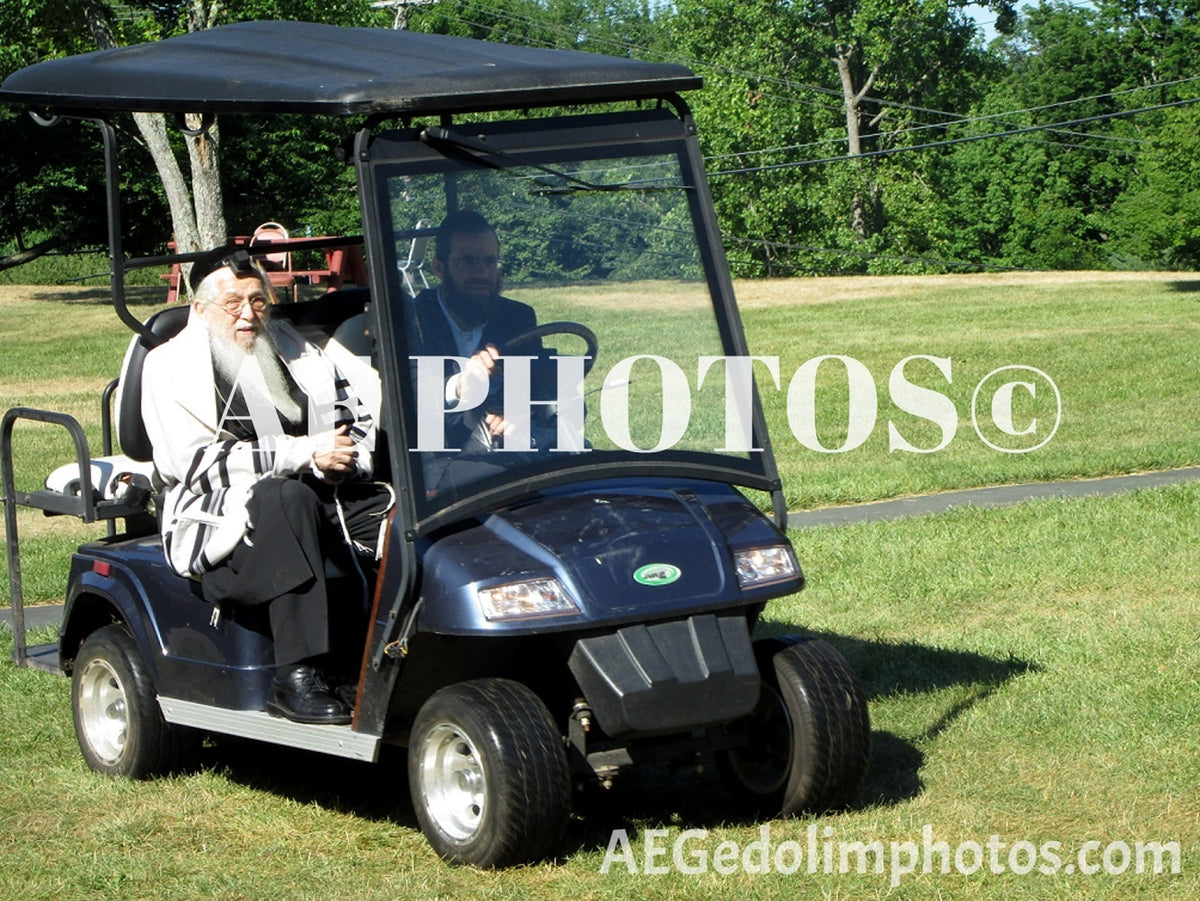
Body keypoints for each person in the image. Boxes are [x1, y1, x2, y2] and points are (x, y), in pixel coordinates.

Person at [141, 245, 392, 725]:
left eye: (257, 301)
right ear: (200, 309)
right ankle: (296, 675)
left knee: (399, 514)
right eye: (232, 303)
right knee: (287, 498)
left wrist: (344, 460)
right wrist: (303, 454)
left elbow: (355, 419)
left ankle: (386, 655)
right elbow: (194, 465)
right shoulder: (168, 366)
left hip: (323, 492)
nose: (248, 314)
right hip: (220, 512)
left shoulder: (295, 348)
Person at [407, 210, 546, 462]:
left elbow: (537, 383)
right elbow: (408, 392)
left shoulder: (518, 317)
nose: (482, 274)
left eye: (490, 262)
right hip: (438, 460)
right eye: (467, 262)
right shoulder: (414, 319)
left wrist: (518, 411)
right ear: (439, 267)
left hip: (507, 456)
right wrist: (460, 385)